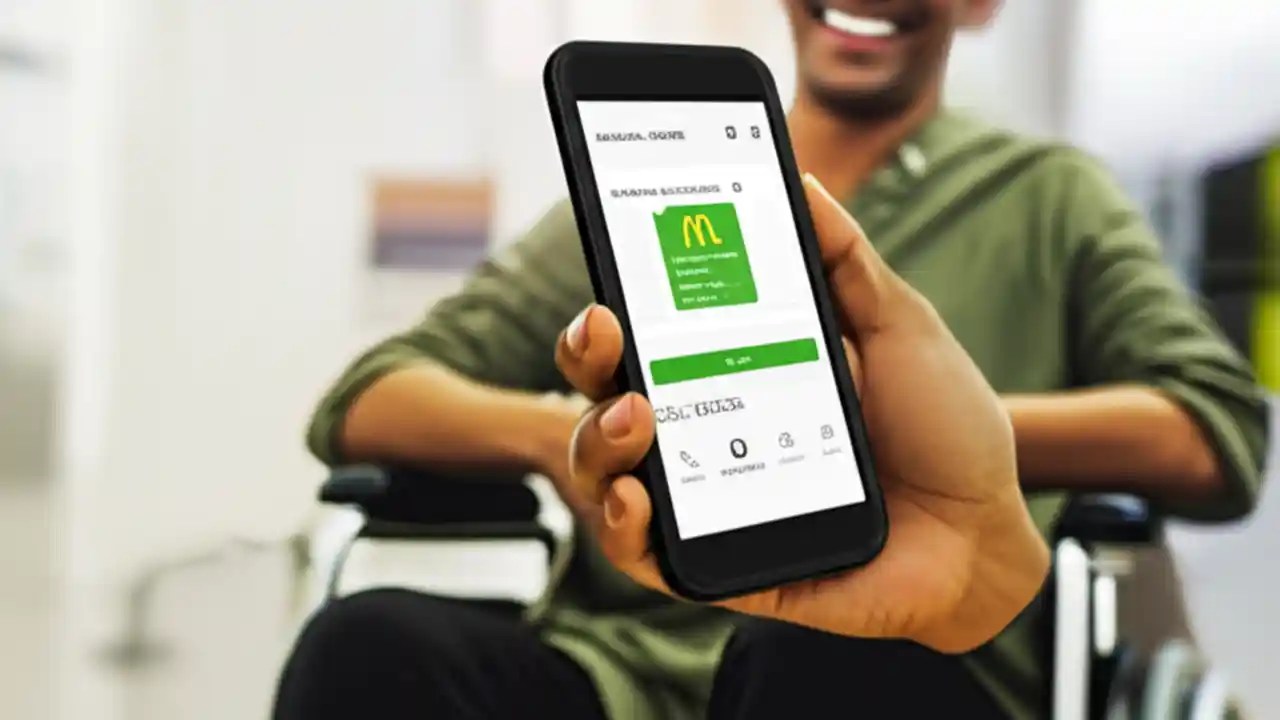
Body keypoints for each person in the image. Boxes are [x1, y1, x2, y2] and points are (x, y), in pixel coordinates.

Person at [273, 1, 1270, 718]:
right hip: (616, 671)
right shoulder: (645, 187)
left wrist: (894, 432)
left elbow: (1211, 432)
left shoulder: (1049, 196)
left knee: (810, 656)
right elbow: (366, 400)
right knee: (372, 643)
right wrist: (553, 436)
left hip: (906, 658)